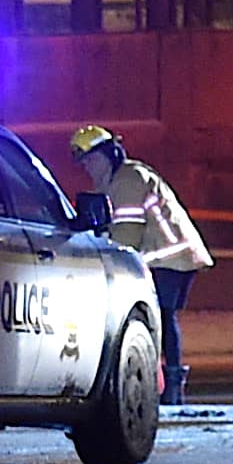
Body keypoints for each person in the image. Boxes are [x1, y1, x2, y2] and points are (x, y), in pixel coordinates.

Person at [69, 125, 213, 406]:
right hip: (163, 257)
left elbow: (126, 235)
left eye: (93, 159)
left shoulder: (128, 180)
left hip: (170, 257)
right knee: (157, 319)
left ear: (111, 154)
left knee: (162, 316)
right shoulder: (112, 182)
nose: (88, 166)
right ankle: (163, 385)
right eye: (84, 162)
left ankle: (170, 388)